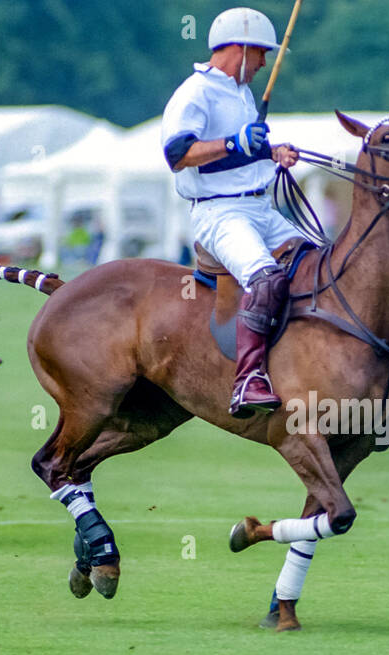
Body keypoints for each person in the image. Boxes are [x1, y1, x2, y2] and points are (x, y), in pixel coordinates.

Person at [160, 6, 301, 417]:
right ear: (240, 49)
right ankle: (248, 380)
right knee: (267, 279)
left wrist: (272, 152)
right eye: (261, 54)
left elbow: (240, 151)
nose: (264, 63)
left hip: (261, 207)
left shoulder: (240, 92)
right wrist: (236, 142)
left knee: (324, 265)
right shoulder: (195, 92)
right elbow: (178, 154)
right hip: (220, 214)